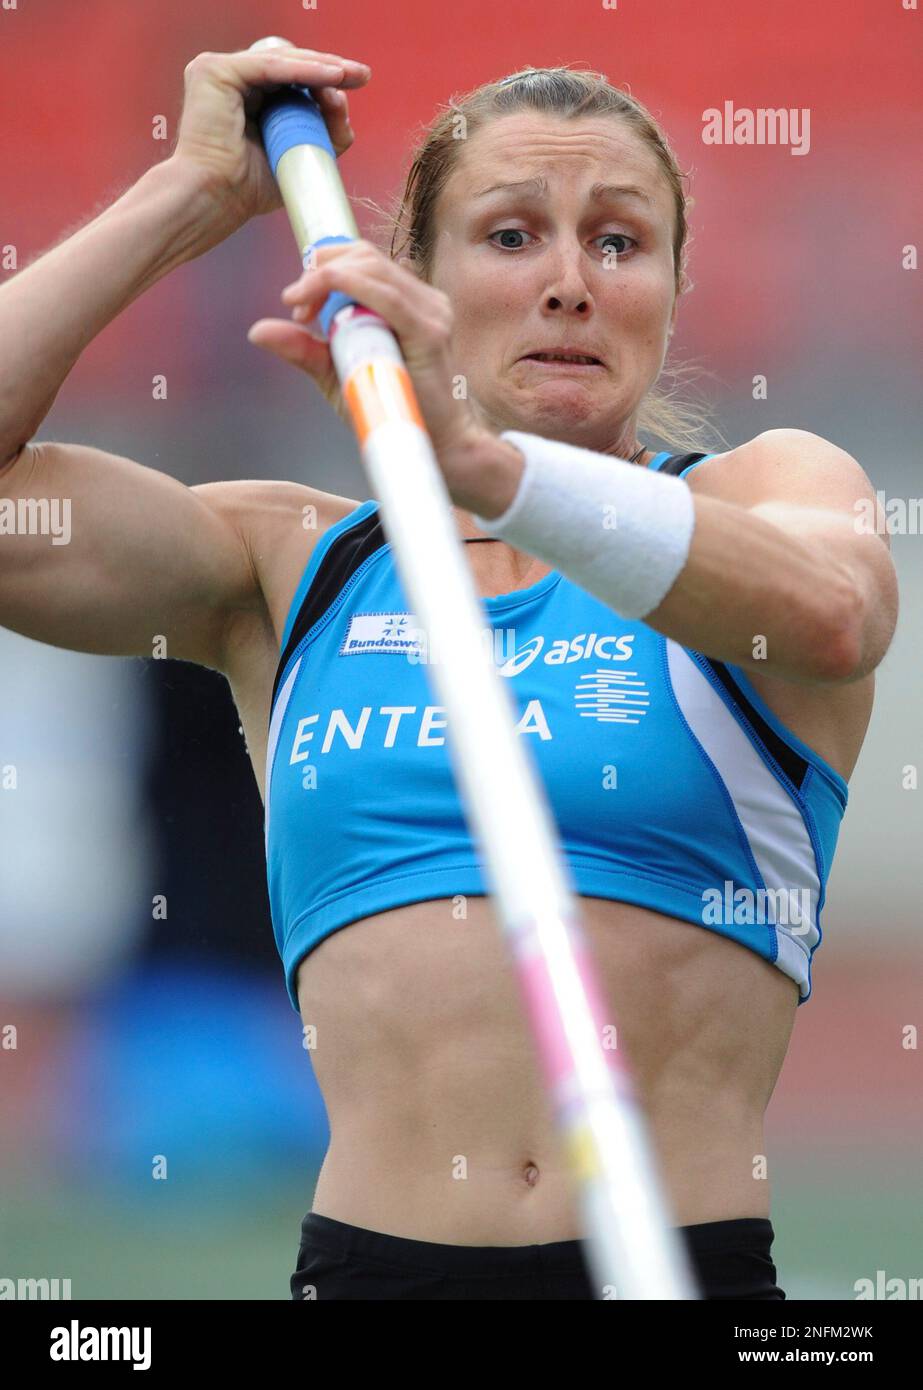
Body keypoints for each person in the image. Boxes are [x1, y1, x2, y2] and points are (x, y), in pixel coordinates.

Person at [0, 46, 898, 1301]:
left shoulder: (764, 495)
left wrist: (485, 463)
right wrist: (189, 195)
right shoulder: (292, 566)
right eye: (512, 235)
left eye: (620, 243)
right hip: (370, 1275)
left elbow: (836, 615)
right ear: (410, 282)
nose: (570, 284)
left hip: (672, 1272)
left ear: (672, 294)